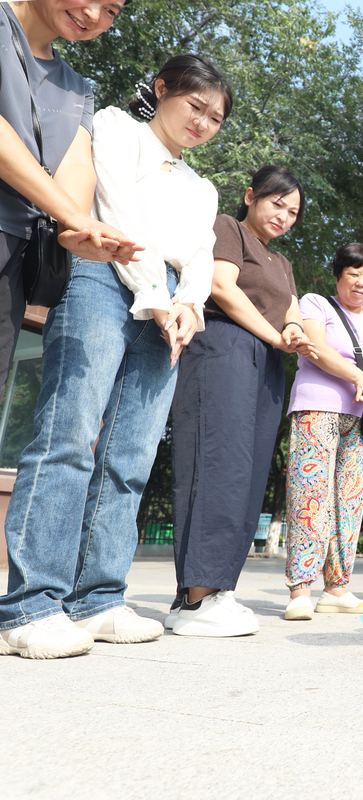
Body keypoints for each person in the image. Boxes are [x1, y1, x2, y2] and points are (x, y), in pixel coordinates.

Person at [0, 54, 231, 658]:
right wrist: (158, 297)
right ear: (162, 91)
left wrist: (188, 306)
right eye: (194, 106)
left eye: (215, 117)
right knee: (68, 437)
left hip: (166, 311)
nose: (202, 123)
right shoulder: (114, 127)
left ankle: (98, 598)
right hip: (99, 283)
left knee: (130, 455)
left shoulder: (203, 188)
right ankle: (28, 606)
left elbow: (201, 257)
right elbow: (120, 217)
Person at [169, 165, 317, 637]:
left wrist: (291, 332)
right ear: (252, 196)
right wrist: (277, 334)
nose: (284, 216)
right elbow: (222, 288)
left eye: (293, 212)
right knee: (219, 463)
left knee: (249, 473)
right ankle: (195, 598)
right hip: (225, 346)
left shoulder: (283, 264)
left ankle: (219, 589)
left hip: (268, 361)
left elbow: (292, 315)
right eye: (277, 203)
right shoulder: (228, 229)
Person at [0, 0, 140, 401]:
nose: (95, 15)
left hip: (14, 254)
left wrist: (75, 227)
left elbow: (78, 162)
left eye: (112, 10)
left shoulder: (79, 88)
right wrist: (70, 214)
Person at [282, 243, 363, 621]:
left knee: (348, 500)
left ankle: (337, 587)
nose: (361, 282)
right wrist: (359, 378)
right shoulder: (316, 303)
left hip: (361, 415)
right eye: (354, 274)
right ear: (338, 276)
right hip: (318, 406)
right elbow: (313, 348)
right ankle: (300, 589)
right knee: (310, 493)